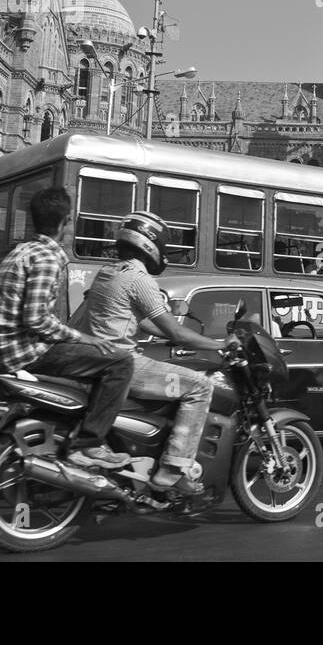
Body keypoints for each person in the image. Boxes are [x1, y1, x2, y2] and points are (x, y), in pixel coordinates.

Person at [0, 187, 135, 470]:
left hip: (6, 351)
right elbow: (37, 320)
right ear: (66, 221)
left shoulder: (21, 251)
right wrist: (85, 338)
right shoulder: (46, 257)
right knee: (120, 363)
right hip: (25, 353)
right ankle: (90, 444)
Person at [79, 211, 220, 494]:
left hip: (93, 358)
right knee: (202, 386)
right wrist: (221, 344)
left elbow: (134, 320)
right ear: (151, 244)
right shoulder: (139, 280)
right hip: (124, 363)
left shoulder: (107, 273)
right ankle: (173, 469)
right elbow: (176, 333)